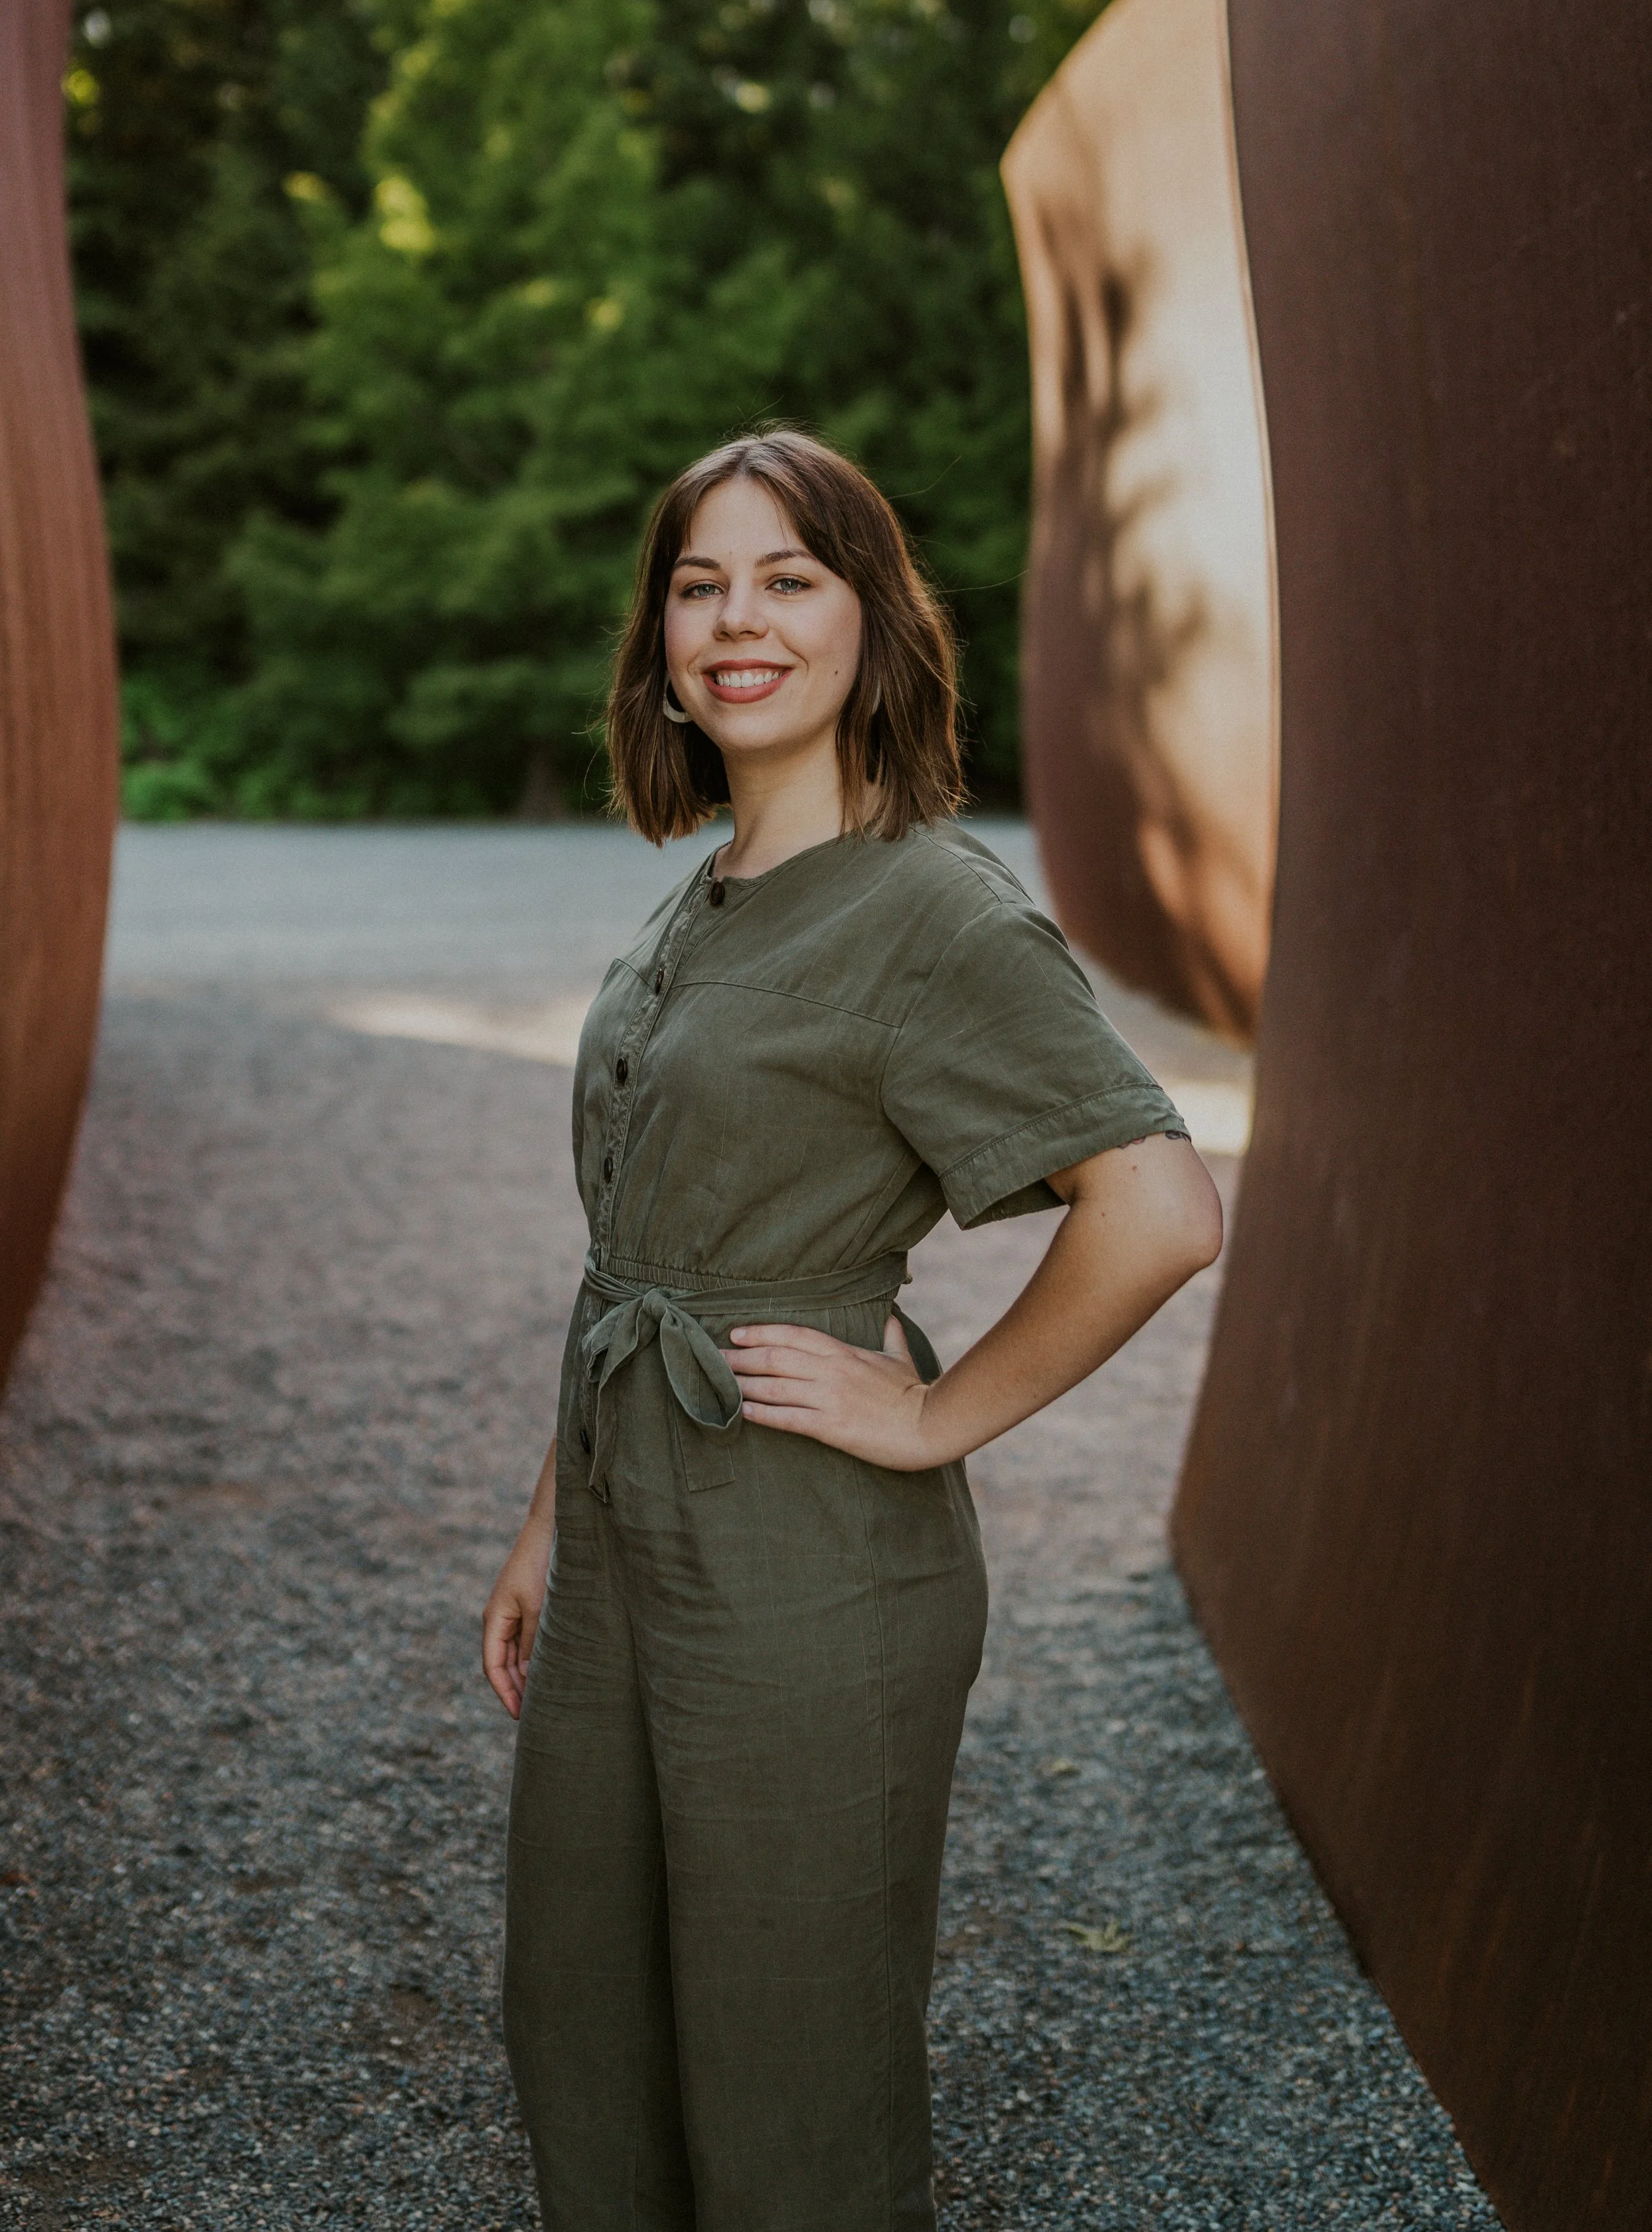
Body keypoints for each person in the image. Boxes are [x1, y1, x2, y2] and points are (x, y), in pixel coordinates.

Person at [481, 429, 1222, 2231]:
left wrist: (930, 1414)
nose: (736, 619)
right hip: (627, 1539)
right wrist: (545, 1520)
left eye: (788, 577)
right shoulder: (708, 896)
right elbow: (636, 1254)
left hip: (807, 1564)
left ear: (872, 625)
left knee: (784, 2055)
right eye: (698, 581)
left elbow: (1160, 1209)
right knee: (583, 2007)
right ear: (658, 632)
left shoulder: (934, 913)